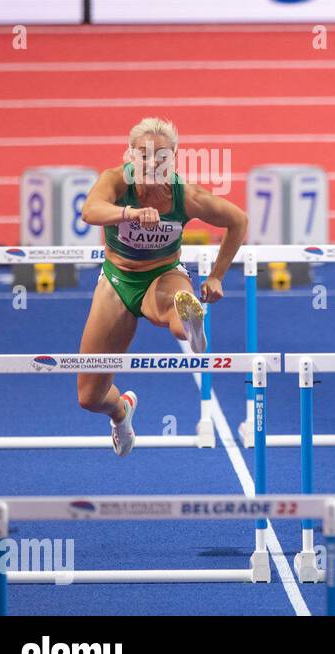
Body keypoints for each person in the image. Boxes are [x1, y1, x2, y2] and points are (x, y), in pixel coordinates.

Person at [78, 117, 247, 455]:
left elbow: (238, 220)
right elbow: (90, 211)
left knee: (176, 307)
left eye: (161, 157)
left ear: (174, 160)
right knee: (90, 397)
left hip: (163, 274)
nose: (152, 164)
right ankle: (121, 411)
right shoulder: (114, 181)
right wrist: (130, 214)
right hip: (117, 280)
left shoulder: (186, 197)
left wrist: (216, 276)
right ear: (129, 156)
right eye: (143, 155)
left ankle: (190, 325)